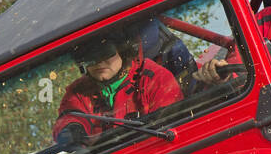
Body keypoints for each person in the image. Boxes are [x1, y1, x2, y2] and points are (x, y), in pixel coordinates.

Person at [52, 33, 183, 147]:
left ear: (123, 51)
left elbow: (171, 126)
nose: (99, 62)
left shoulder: (154, 78)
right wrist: (70, 130)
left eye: (105, 52)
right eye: (89, 56)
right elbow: (70, 117)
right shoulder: (79, 91)